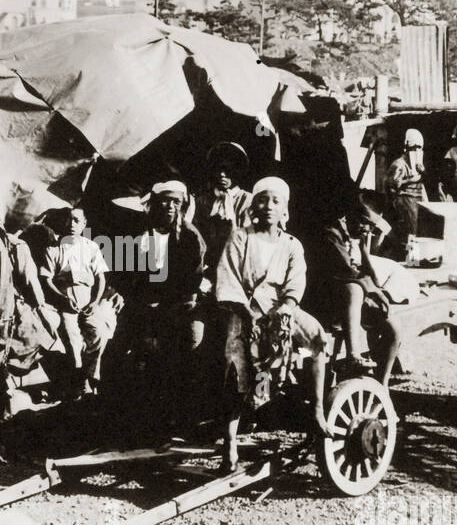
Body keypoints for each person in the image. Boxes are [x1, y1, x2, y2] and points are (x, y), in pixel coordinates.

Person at [214, 177, 334, 471]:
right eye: (263, 200)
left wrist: (287, 307)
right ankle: (229, 442)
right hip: (245, 309)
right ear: (254, 206)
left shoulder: (292, 245)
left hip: (281, 309)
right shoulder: (241, 237)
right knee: (237, 366)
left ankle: (318, 411)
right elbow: (228, 279)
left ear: (285, 211)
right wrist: (247, 314)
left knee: (318, 338)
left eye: (275, 201)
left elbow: (296, 281)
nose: (268, 206)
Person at [110, 181, 207, 428]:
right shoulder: (139, 233)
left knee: (181, 353)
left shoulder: (189, 237)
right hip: (140, 305)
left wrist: (164, 307)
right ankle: (116, 413)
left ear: (183, 205)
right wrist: (131, 298)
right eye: (165, 200)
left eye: (176, 202)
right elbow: (123, 273)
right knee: (116, 351)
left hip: (177, 307)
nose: (170, 206)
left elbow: (190, 284)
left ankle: (177, 417)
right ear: (154, 203)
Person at [39, 206, 118, 399]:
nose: (72, 224)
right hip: (64, 300)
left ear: (84, 224)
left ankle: (90, 377)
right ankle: (78, 381)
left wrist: (95, 301)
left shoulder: (91, 247)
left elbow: (100, 278)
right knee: (71, 336)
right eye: (68, 220)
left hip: (88, 299)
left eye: (76, 220)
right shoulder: (53, 248)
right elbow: (46, 278)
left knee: (99, 332)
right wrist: (62, 298)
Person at [325, 202, 403, 385]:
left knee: (394, 328)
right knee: (355, 289)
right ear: (348, 218)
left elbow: (372, 278)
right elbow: (347, 274)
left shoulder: (352, 236)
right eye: (364, 223)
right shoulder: (331, 234)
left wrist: (363, 249)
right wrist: (374, 290)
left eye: (371, 226)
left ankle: (382, 385)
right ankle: (353, 355)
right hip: (327, 297)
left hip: (351, 298)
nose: (367, 230)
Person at [191, 142, 251, 275]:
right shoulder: (203, 201)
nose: (222, 175)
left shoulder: (247, 200)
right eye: (219, 170)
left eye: (227, 170)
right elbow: (195, 234)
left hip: (237, 264)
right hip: (206, 263)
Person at [385, 128, 426, 257]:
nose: (418, 151)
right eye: (415, 148)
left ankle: (416, 257)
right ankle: (412, 259)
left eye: (420, 148)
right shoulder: (399, 164)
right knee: (411, 231)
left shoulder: (418, 164)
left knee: (419, 230)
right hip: (405, 200)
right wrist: (409, 180)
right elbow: (391, 184)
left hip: (418, 200)